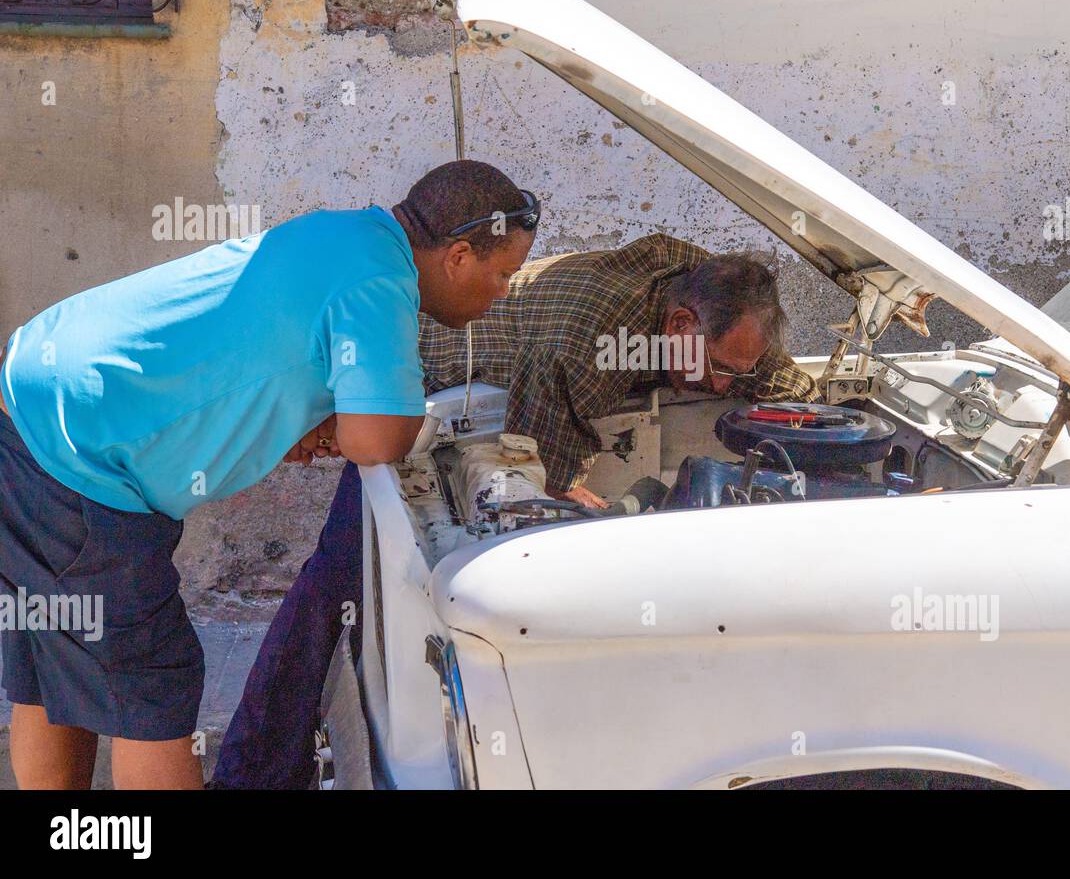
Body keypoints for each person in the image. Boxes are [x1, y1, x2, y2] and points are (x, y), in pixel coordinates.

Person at [0, 160, 537, 789]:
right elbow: (378, 439)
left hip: (33, 396)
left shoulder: (348, 234)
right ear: (459, 255)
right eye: (502, 274)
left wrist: (296, 419)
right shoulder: (381, 282)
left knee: (54, 664)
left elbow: (264, 349)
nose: (503, 293)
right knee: (152, 686)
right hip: (80, 453)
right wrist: (339, 422)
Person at [212, 233, 818, 788]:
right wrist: (571, 498)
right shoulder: (586, 345)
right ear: (680, 322)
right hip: (410, 391)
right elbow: (532, 516)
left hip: (462, 396)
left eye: (735, 372)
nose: (720, 387)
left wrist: (808, 410)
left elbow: (769, 371)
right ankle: (250, 777)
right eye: (715, 367)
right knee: (333, 587)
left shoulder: (693, 279)